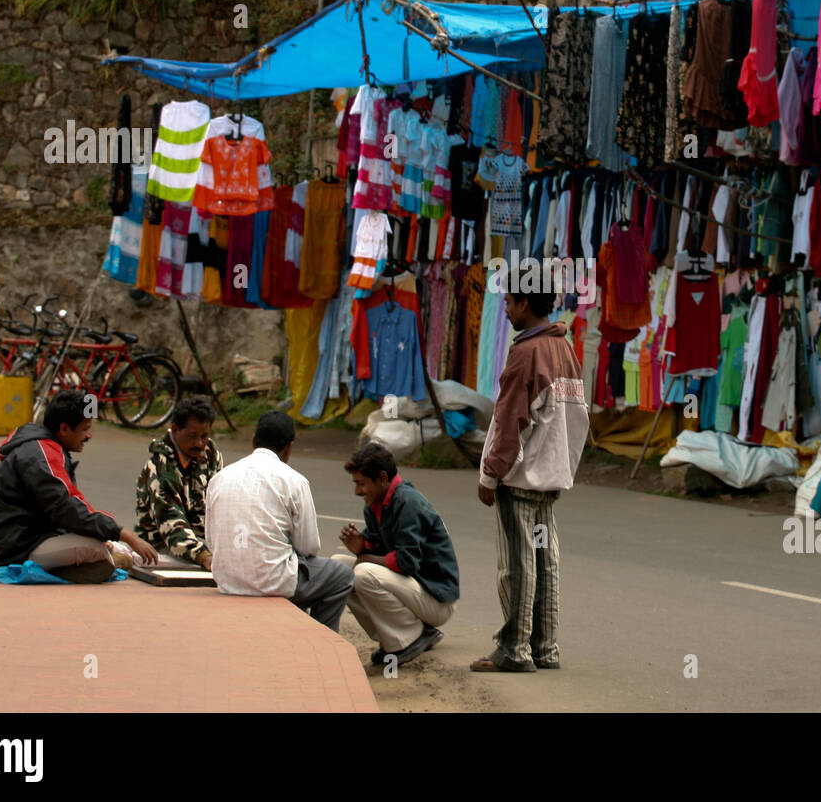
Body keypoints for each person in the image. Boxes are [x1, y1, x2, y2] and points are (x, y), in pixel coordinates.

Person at [473, 286, 589, 672]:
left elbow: (510, 422)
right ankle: (544, 647)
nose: (504, 309)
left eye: (508, 302)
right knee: (545, 561)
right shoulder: (565, 351)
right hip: (550, 478)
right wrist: (563, 467)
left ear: (525, 304)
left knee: (518, 565)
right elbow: (577, 419)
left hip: (520, 479)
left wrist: (491, 475)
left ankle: (514, 650)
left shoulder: (526, 353)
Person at [0, 388, 159, 583]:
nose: (88, 436)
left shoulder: (44, 447)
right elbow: (66, 508)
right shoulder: (42, 454)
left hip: (18, 539)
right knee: (97, 548)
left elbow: (69, 505)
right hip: (10, 549)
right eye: (84, 429)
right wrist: (125, 535)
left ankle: (74, 562)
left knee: (105, 543)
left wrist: (107, 533)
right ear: (64, 428)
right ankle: (59, 568)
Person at [206, 412, 353, 632]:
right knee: (342, 575)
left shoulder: (219, 478)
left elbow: (211, 540)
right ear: (289, 447)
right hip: (273, 581)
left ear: (254, 440)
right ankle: (323, 637)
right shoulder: (294, 480)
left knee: (296, 562)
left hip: (227, 580)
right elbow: (308, 546)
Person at [331, 442, 459, 667]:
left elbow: (406, 563)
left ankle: (410, 639)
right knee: (337, 568)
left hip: (436, 600)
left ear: (381, 478)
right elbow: (378, 548)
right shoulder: (374, 504)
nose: (357, 491)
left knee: (362, 573)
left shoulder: (409, 502)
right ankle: (393, 637)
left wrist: (365, 557)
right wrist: (361, 547)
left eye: (361, 484)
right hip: (411, 591)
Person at [135, 394, 223, 569]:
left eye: (204, 436)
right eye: (192, 436)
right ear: (175, 430)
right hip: (164, 546)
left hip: (205, 541)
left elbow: (222, 504)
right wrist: (204, 557)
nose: (199, 443)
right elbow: (172, 526)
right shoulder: (159, 468)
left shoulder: (211, 454)